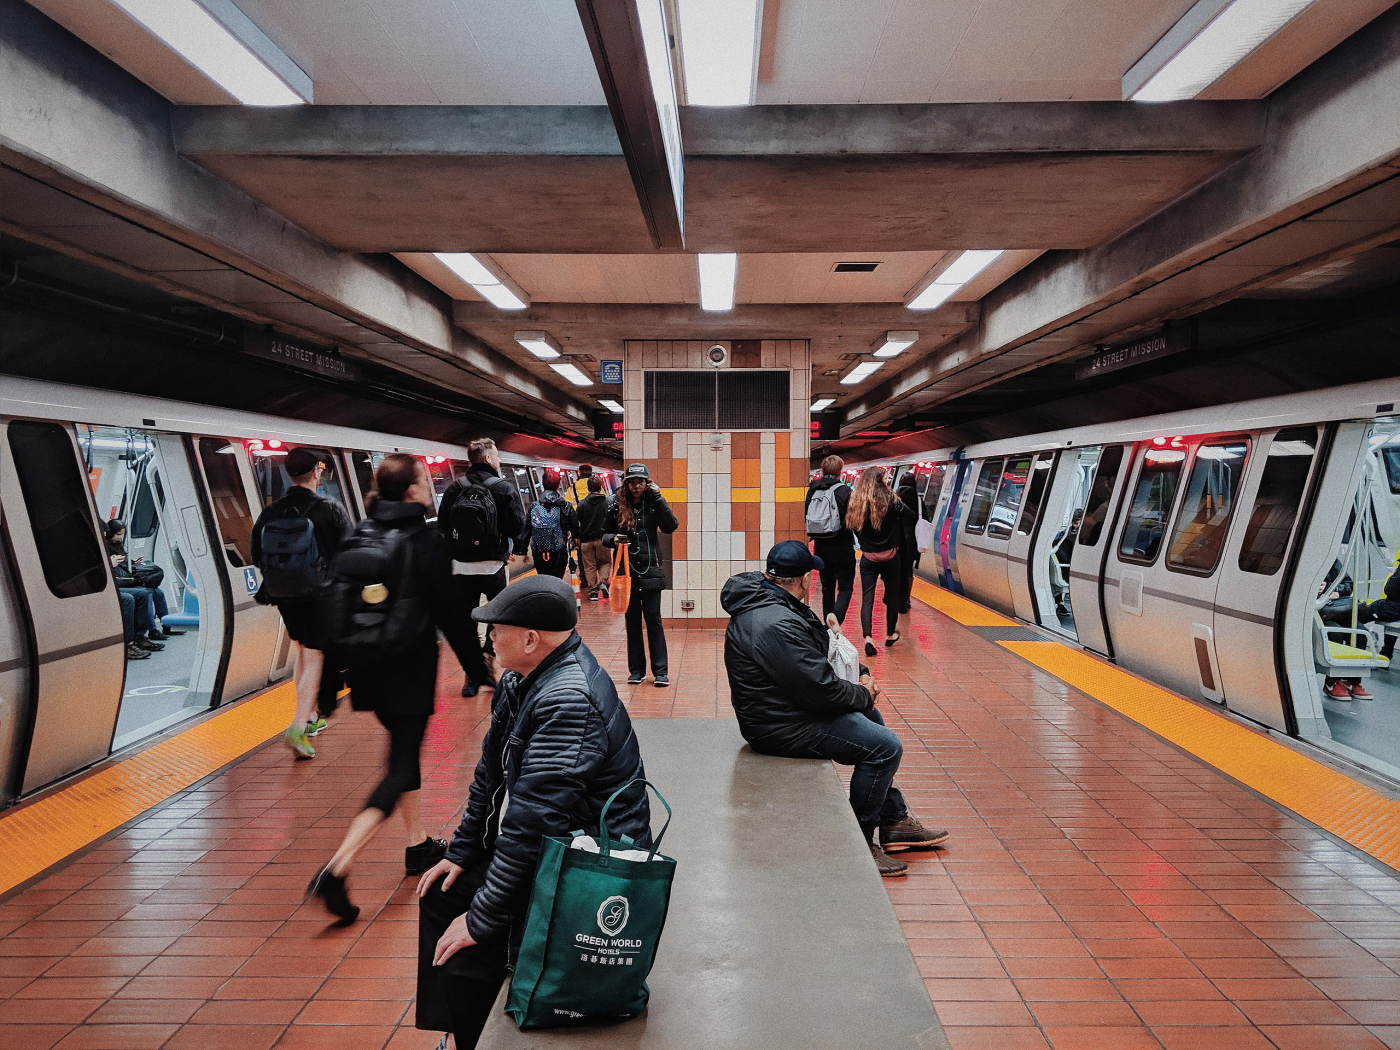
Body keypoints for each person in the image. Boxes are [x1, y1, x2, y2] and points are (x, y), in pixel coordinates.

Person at [414, 575, 651, 1050]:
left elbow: (531, 826)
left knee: (468, 959)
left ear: (529, 639)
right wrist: (462, 851)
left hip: (590, 866)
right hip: (556, 846)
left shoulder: (568, 699)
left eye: (496, 628)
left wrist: (481, 919)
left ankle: (474, 1037)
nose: (489, 637)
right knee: (441, 891)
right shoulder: (520, 680)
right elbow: (489, 775)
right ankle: (456, 1032)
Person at [720, 541, 948, 877]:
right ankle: (858, 843)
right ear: (804, 579)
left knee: (871, 719)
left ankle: (894, 821)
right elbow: (819, 690)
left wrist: (861, 675)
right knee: (885, 748)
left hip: (786, 709)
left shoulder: (774, 602)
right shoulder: (775, 622)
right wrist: (863, 694)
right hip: (778, 725)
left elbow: (817, 655)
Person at [307, 454, 469, 922]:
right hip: (408, 669)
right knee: (397, 768)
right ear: (413, 490)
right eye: (425, 480)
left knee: (403, 751)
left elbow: (331, 611)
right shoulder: (425, 539)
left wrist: (328, 688)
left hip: (367, 671)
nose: (430, 486)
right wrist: (477, 669)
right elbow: (450, 611)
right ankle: (337, 869)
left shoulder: (359, 533)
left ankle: (417, 844)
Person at [251, 447, 353, 758]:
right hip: (320, 596)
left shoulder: (270, 512)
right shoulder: (329, 509)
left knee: (303, 651)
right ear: (317, 471)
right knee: (315, 656)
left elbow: (256, 553)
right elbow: (350, 552)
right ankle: (297, 726)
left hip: (283, 595)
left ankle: (309, 717)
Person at [437, 439, 526, 697]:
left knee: (466, 621)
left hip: (461, 568)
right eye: (496, 455)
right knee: (497, 616)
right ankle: (487, 654)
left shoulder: (455, 488)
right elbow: (517, 527)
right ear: (487, 458)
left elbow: (442, 525)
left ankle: (471, 676)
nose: (498, 460)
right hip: (493, 567)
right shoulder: (503, 488)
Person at [604, 463, 679, 687]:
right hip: (627, 572)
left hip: (651, 570)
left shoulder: (654, 503)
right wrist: (614, 539)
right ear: (626, 484)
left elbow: (670, 526)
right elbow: (603, 534)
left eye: (641, 482)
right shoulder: (615, 505)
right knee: (632, 622)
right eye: (632, 482)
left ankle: (661, 671)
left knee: (654, 620)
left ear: (647, 483)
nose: (636, 486)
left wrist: (659, 498)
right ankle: (636, 671)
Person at [848, 466, 910, 657]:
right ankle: (890, 634)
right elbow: (911, 515)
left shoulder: (858, 502)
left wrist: (865, 542)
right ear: (882, 481)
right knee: (892, 597)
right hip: (891, 557)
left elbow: (852, 526)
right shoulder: (892, 500)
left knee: (868, 598)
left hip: (868, 558)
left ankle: (868, 638)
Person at [105, 519, 178, 651]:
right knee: (144, 593)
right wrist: (112, 563)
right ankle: (150, 631)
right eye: (117, 534)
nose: (119, 537)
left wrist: (132, 562)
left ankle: (166, 626)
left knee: (158, 592)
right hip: (120, 580)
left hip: (125, 576)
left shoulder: (118, 545)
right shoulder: (105, 547)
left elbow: (123, 564)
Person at [805, 455, 855, 624]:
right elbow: (853, 519)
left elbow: (807, 516)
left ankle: (828, 626)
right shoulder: (845, 491)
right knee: (846, 587)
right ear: (840, 471)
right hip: (843, 546)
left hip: (821, 547)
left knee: (827, 587)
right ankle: (836, 618)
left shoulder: (812, 490)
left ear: (822, 470)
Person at [521, 468, 578, 579]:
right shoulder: (566, 506)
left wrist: (523, 551)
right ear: (558, 485)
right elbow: (575, 527)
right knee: (557, 579)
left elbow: (526, 530)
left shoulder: (534, 506)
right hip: (559, 550)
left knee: (544, 580)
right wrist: (576, 540)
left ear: (543, 484)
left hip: (539, 552)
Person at [576, 475, 610, 601]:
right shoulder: (607, 503)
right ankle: (603, 582)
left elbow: (576, 522)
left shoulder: (582, 504)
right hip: (602, 539)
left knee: (589, 567)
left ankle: (593, 592)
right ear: (600, 487)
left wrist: (576, 537)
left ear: (588, 488)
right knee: (605, 562)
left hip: (586, 540)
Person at [895, 473, 920, 615]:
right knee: (908, 570)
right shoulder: (918, 500)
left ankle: (896, 597)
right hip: (912, 540)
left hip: (896, 539)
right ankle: (906, 598)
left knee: (896, 569)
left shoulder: (894, 498)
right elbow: (925, 518)